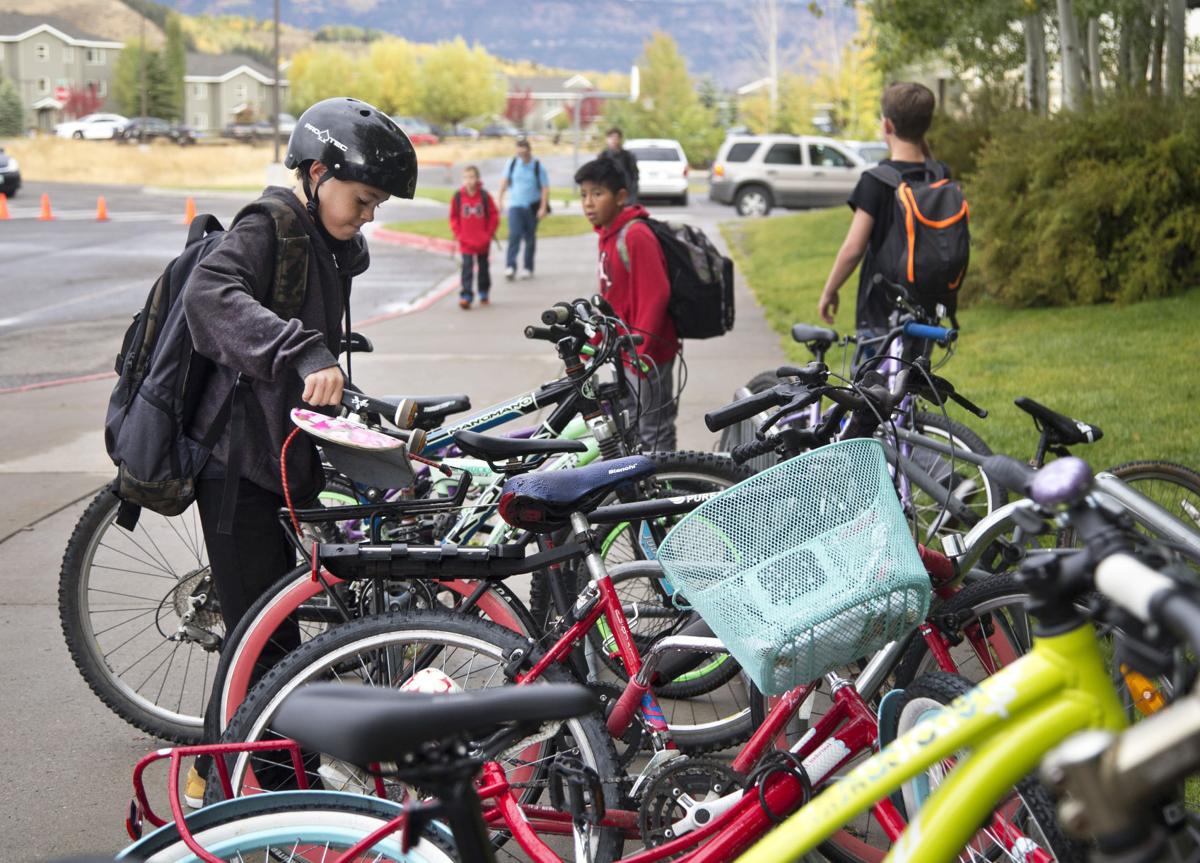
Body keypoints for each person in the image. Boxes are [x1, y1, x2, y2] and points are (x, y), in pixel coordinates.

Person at [179, 96, 417, 805]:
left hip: (283, 458)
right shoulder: (269, 224)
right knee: (266, 639)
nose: (369, 214)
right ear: (317, 173)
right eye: (364, 199)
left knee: (271, 632)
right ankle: (281, 800)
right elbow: (207, 295)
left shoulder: (327, 243)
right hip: (235, 463)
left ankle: (220, 768)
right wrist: (300, 347)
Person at [816, 82, 945, 354]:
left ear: (887, 126)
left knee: (872, 392)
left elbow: (853, 249)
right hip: (926, 309)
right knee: (908, 388)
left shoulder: (876, 181)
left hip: (880, 310)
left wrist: (830, 289)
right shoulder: (940, 175)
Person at [575, 157, 678, 451]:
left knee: (654, 430)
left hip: (648, 355)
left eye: (597, 194)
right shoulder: (608, 236)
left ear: (621, 197)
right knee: (631, 427)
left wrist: (640, 351)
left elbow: (656, 295)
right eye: (583, 195)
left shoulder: (635, 235)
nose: (588, 203)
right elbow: (611, 301)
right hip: (625, 353)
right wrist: (592, 345)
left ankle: (671, 487)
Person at [497, 137, 550, 280]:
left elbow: (545, 188)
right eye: (518, 150)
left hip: (532, 206)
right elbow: (504, 182)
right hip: (515, 205)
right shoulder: (512, 163)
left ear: (528, 150)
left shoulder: (538, 166)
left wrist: (543, 207)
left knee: (530, 238)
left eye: (523, 150)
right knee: (514, 235)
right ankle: (510, 266)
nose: (520, 154)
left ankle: (527, 267)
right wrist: (500, 200)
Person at [449, 165, 499, 309]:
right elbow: (453, 217)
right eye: (466, 177)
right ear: (462, 180)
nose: (469, 180)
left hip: (482, 240)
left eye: (472, 177)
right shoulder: (458, 197)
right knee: (467, 268)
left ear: (477, 179)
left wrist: (488, 233)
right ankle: (466, 295)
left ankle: (483, 292)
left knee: (483, 268)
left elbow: (494, 215)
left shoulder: (484, 196)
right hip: (466, 241)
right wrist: (459, 233)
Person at [598, 126, 639, 204]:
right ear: (607, 139)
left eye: (616, 137)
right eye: (611, 137)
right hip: (609, 193)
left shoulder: (627, 156)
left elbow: (634, 176)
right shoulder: (603, 156)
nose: (613, 140)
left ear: (620, 139)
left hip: (626, 193)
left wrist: (632, 197)